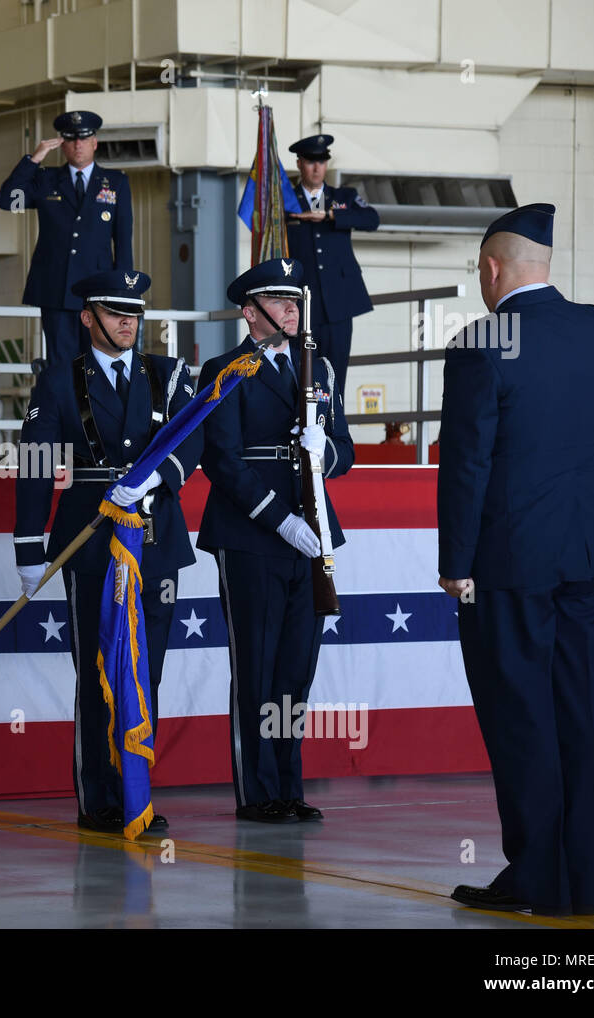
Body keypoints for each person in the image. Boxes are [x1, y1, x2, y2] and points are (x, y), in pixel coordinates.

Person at [440, 204, 594, 917]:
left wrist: (455, 561)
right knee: (581, 712)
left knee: (522, 718)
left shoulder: (481, 342)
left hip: (510, 562)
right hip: (588, 551)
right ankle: (583, 880)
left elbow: (466, 464)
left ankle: (537, 879)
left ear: (492, 269)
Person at [14, 270, 199, 833]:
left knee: (147, 671)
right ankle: (99, 799)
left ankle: (137, 793)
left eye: (134, 312)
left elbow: (195, 439)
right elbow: (38, 461)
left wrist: (159, 475)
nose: (128, 322)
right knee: (98, 675)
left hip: (155, 541)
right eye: (115, 312)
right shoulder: (59, 380)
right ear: (88, 317)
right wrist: (28, 545)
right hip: (90, 541)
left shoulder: (164, 374)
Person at [197, 258, 354, 823]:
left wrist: (323, 451)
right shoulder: (226, 369)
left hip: (311, 538)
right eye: (279, 302)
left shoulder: (319, 369)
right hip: (251, 536)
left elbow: (345, 450)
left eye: (294, 301)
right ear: (250, 312)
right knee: (256, 666)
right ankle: (256, 790)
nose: (292, 310)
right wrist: (279, 519)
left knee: (295, 669)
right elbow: (222, 460)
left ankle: (288, 784)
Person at [0, 110, 133, 370]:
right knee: (61, 364)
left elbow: (123, 240)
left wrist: (122, 293)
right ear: (62, 145)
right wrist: (33, 159)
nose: (77, 145)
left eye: (83, 139)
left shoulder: (116, 183)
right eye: (70, 140)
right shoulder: (46, 179)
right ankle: (67, 413)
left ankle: (95, 413)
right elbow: (7, 201)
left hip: (98, 292)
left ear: (95, 143)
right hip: (56, 290)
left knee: (100, 361)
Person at [284, 134, 379, 395]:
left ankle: (334, 432)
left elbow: (372, 219)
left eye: (322, 162)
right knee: (302, 377)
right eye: (311, 161)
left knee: (336, 376)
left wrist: (330, 215)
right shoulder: (286, 201)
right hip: (302, 303)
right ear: (299, 163)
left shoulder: (342, 196)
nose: (317, 168)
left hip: (339, 302)